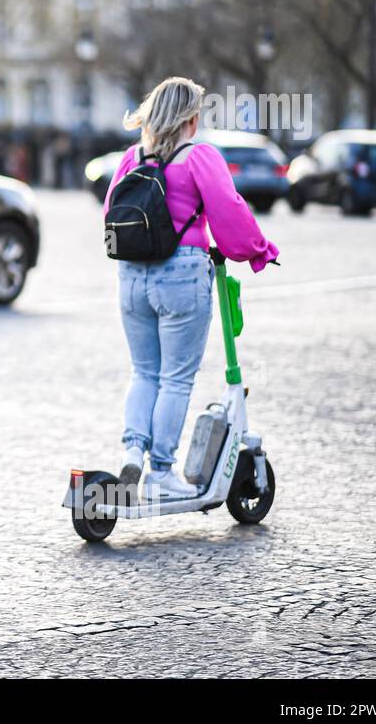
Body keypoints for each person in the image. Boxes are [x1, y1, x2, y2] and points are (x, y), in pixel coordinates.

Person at [103, 77, 278, 499]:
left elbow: (111, 211)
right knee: (176, 378)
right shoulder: (199, 156)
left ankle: (132, 451)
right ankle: (161, 472)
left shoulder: (130, 158)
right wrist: (258, 250)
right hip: (182, 274)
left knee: (144, 372)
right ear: (191, 119)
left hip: (131, 277)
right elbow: (229, 210)